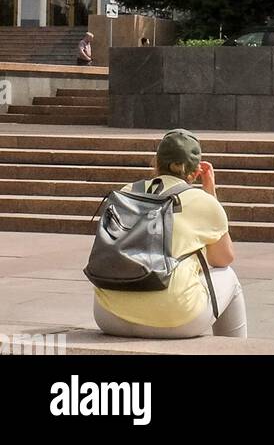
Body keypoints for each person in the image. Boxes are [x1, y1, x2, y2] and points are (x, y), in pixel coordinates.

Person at [93, 128, 247, 339]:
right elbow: (222, 259)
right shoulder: (203, 202)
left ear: (156, 163)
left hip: (108, 315)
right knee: (229, 277)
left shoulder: (126, 192)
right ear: (196, 172)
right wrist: (210, 194)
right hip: (175, 320)